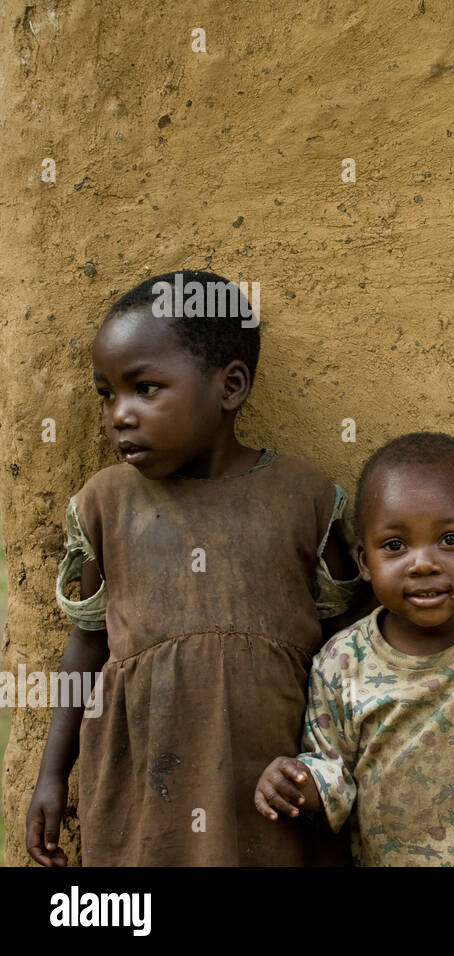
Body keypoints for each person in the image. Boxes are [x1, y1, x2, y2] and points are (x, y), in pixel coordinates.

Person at [28, 270, 362, 866]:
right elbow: (86, 645)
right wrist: (52, 775)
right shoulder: (105, 504)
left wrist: (336, 772)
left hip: (271, 780)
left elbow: (346, 653)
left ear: (230, 386)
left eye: (145, 389)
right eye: (107, 394)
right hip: (145, 780)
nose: (119, 415)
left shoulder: (304, 499)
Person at [254, 433, 454, 865]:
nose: (422, 563)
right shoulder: (344, 663)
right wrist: (297, 784)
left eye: (450, 539)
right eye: (395, 546)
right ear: (365, 562)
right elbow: (332, 776)